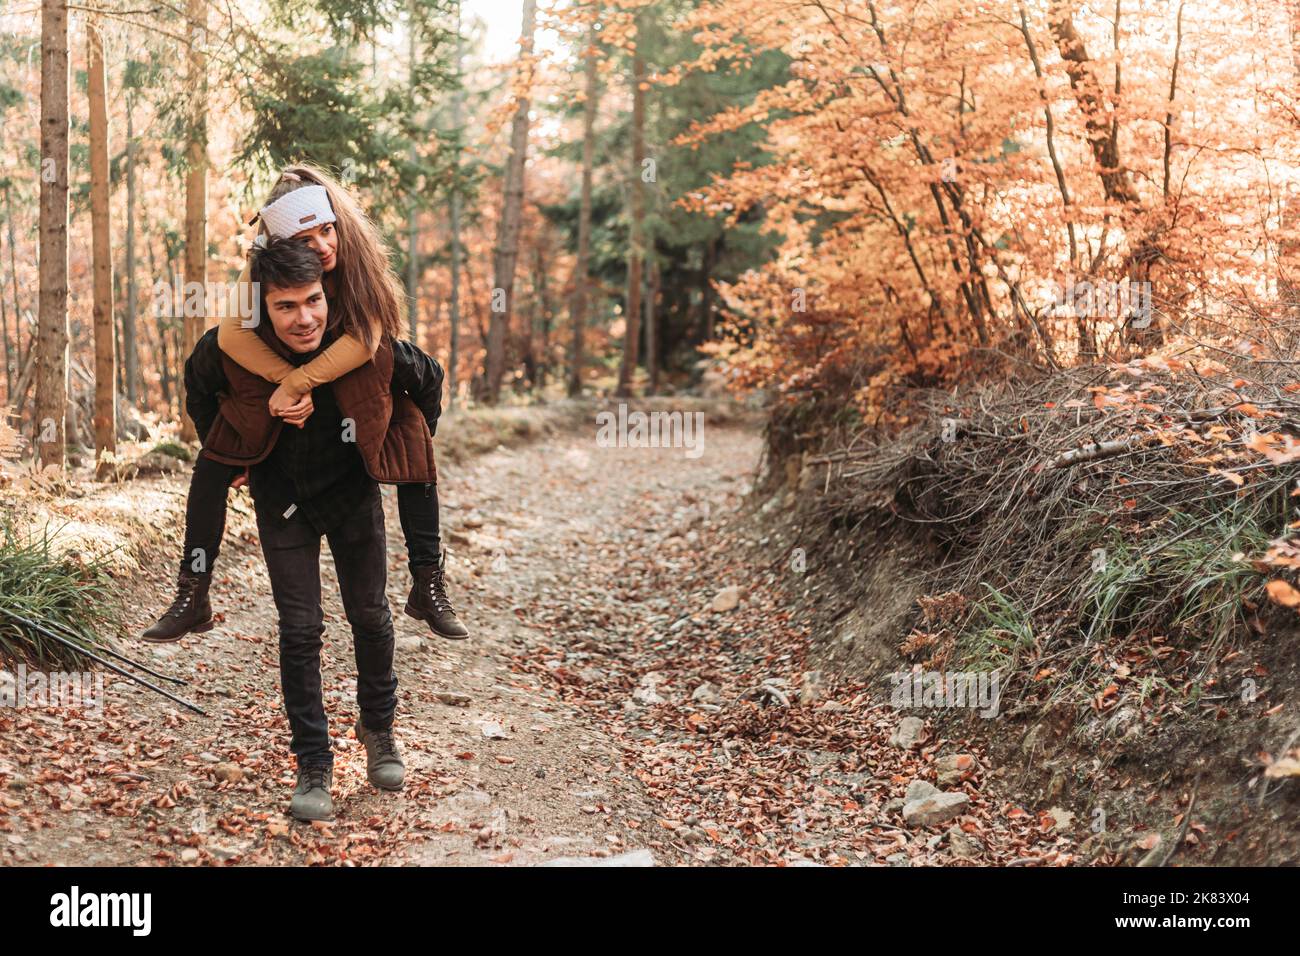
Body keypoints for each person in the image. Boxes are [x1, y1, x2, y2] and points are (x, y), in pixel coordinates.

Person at [141, 164, 467, 645]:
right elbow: (230, 336)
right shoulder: (264, 267)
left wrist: (300, 384)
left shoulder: (355, 260)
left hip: (358, 365)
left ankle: (428, 579)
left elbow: (367, 339)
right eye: (305, 239)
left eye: (326, 230)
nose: (323, 246)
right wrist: (279, 389)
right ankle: (193, 590)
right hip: (275, 373)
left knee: (410, 434)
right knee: (213, 458)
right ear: (279, 245)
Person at [184, 237, 442, 821]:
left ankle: (379, 729)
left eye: (312, 301)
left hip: (352, 497)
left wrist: (404, 434)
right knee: (300, 631)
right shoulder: (236, 349)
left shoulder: (362, 341)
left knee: (370, 616)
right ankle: (313, 761)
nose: (303, 318)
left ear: (327, 295)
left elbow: (429, 376)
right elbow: (198, 386)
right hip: (282, 502)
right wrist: (231, 450)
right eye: (286, 306)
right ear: (262, 306)